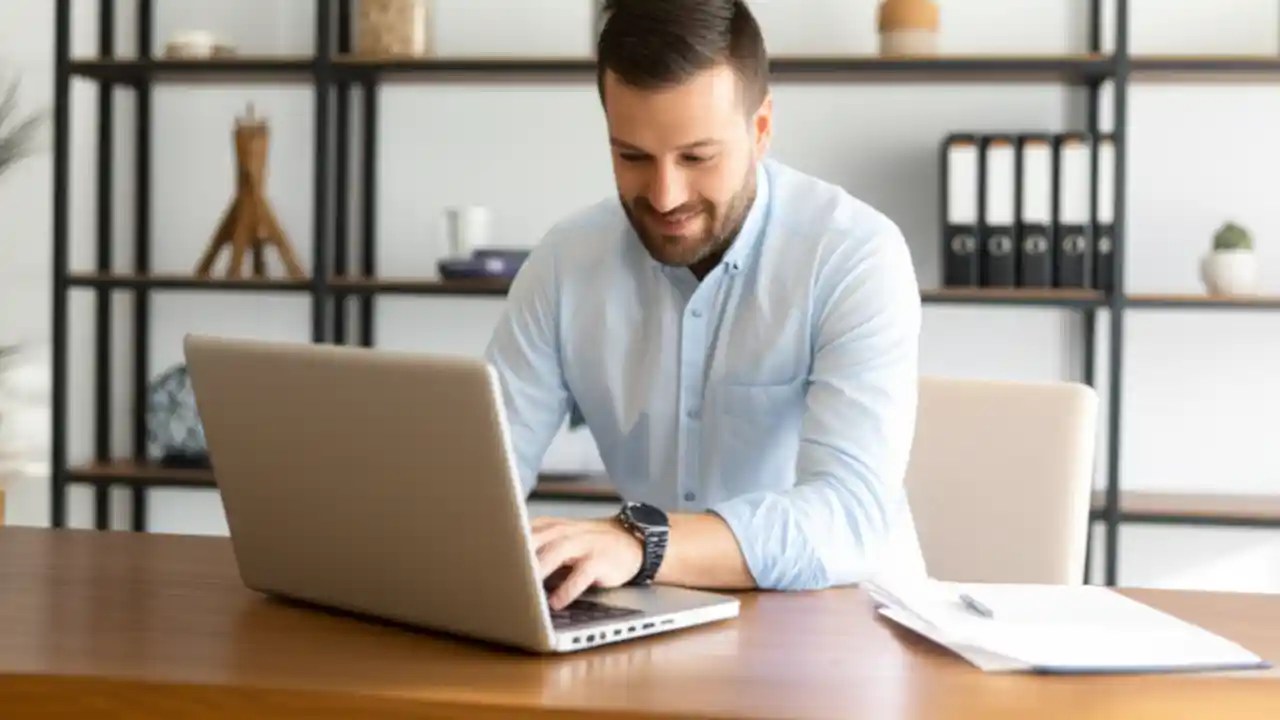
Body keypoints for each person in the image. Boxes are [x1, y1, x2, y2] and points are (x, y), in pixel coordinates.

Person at [485, 0, 926, 612]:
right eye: (632, 156)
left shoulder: (854, 255)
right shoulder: (564, 263)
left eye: (697, 157)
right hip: (655, 623)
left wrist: (641, 541)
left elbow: (849, 517)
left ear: (761, 128)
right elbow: (484, 476)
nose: (665, 196)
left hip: (845, 628)